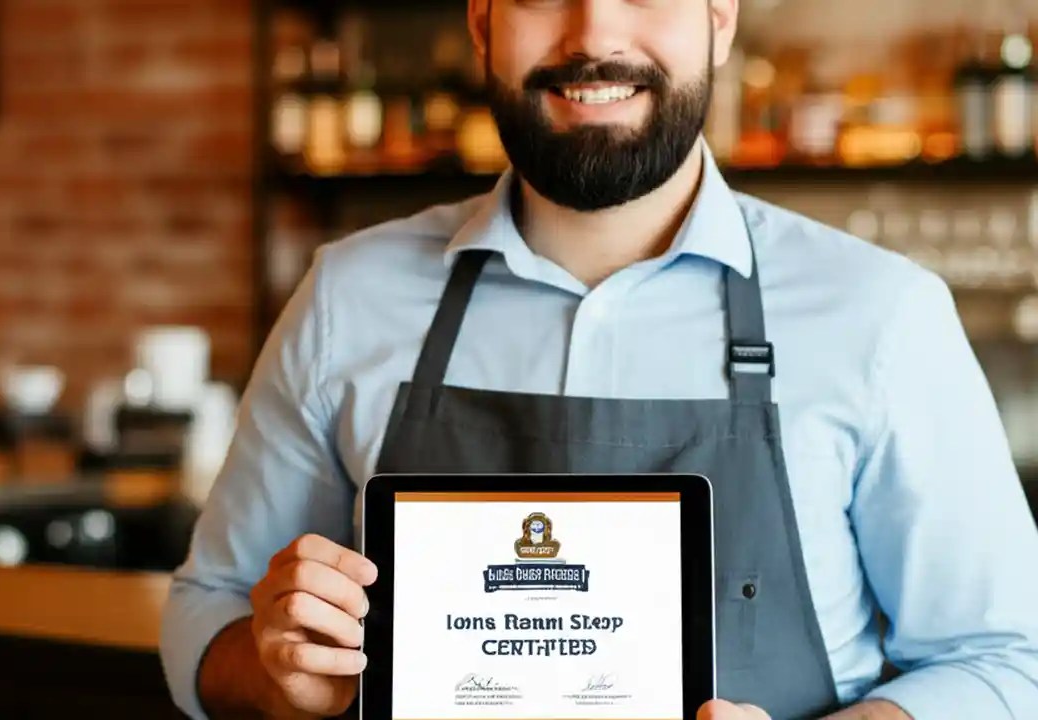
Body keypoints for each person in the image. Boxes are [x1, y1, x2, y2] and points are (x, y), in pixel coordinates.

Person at [160, 0, 1038, 717]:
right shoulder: (346, 295)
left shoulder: (881, 312)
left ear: (720, 18)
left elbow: (1007, 660)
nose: (595, 36)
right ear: (481, 23)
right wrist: (278, 676)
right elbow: (209, 610)